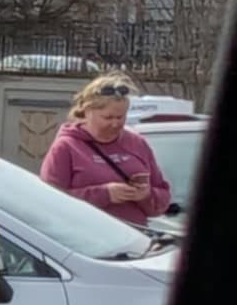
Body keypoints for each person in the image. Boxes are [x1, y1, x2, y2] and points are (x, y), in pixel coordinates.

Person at [38, 74, 172, 227]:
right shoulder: (66, 147)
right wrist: (104, 194)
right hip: (87, 240)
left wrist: (146, 195)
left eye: (120, 117)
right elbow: (49, 203)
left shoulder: (137, 143)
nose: (115, 124)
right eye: (107, 118)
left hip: (134, 237)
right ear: (87, 111)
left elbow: (163, 198)